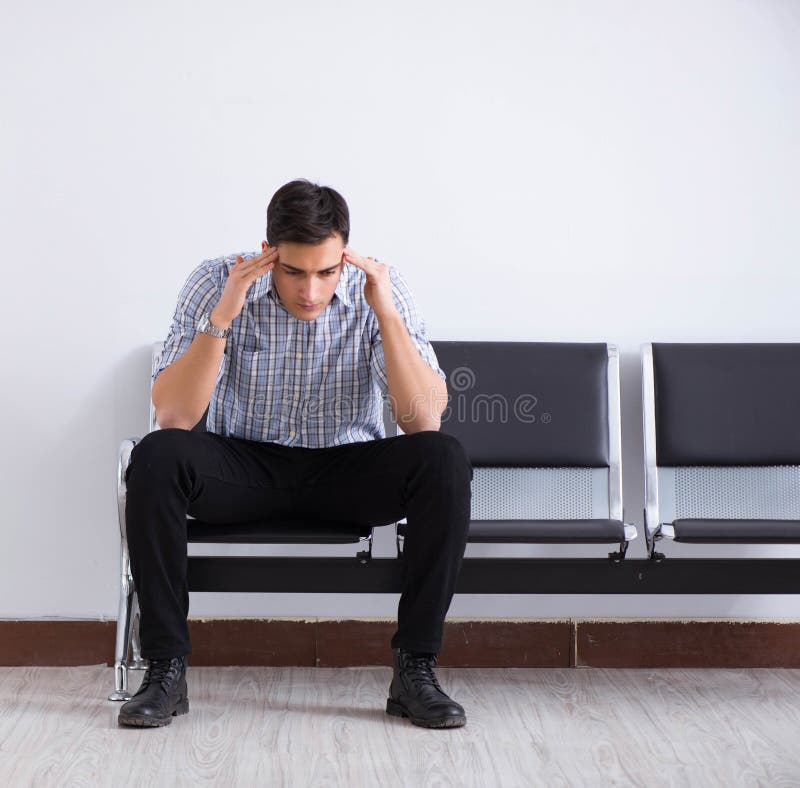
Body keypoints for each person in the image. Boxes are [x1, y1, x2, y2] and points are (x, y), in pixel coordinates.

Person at [118, 179, 473, 730]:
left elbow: (422, 418)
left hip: (342, 471)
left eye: (326, 272)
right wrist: (224, 315)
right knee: (158, 455)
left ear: (344, 257)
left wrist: (387, 316)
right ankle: (164, 670)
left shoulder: (377, 285)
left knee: (443, 457)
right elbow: (175, 416)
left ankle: (415, 670)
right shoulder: (216, 281)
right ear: (268, 253)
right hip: (244, 467)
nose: (311, 290)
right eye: (294, 272)